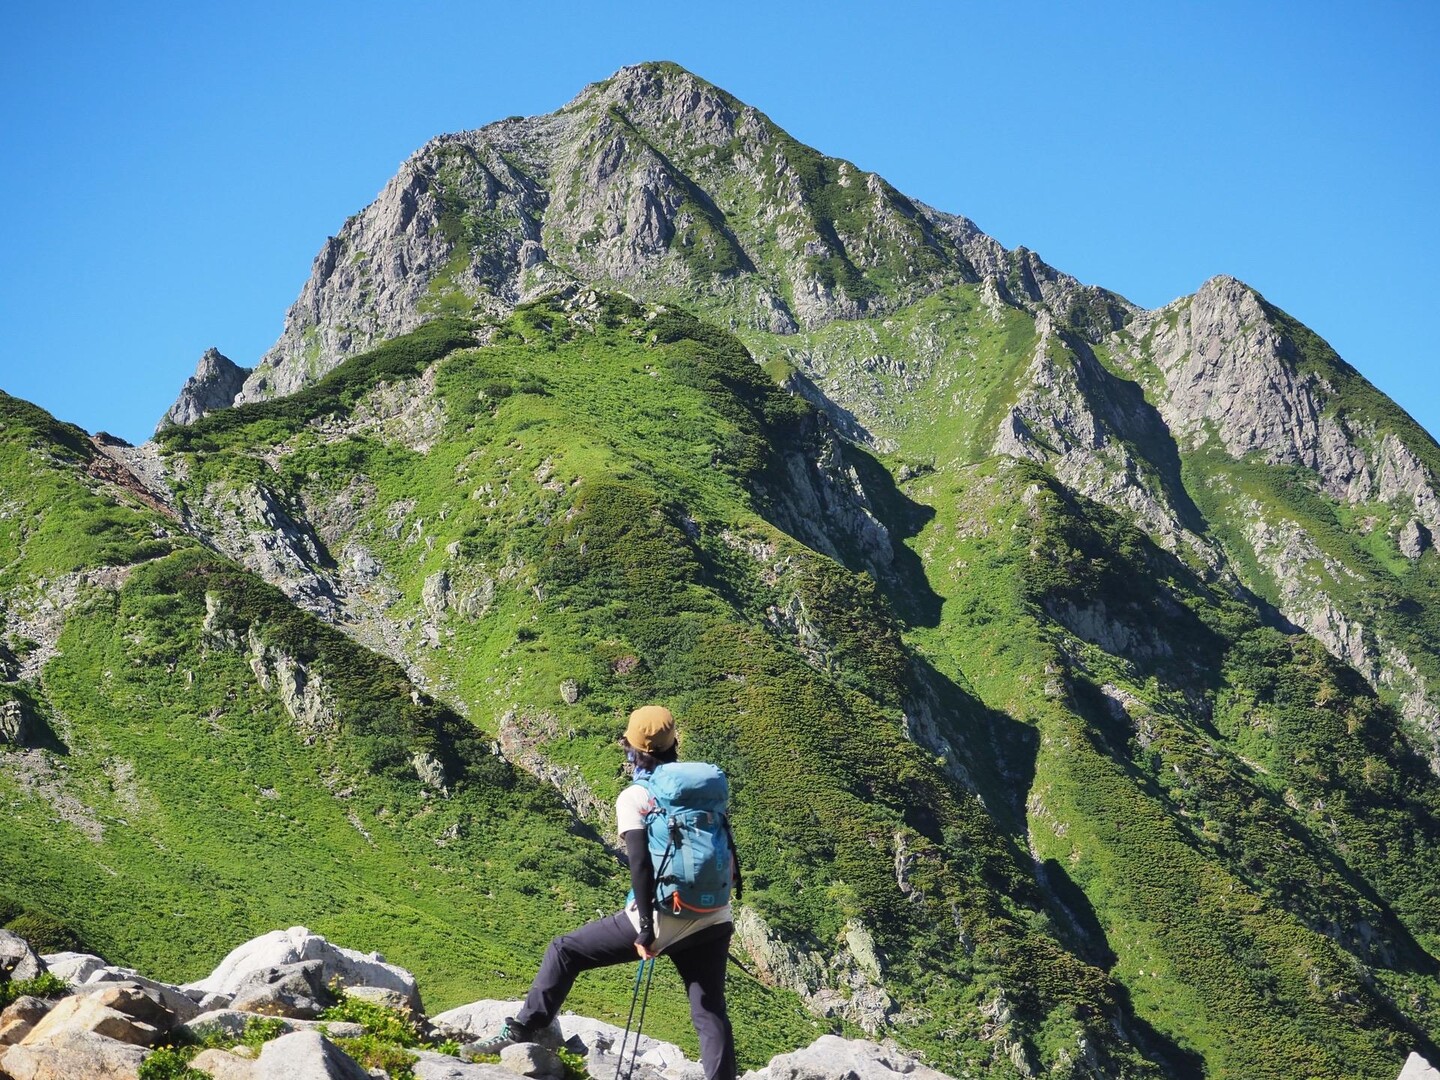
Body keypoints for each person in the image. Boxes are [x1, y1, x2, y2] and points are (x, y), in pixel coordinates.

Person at [463, 705, 738, 1080]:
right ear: (674, 743)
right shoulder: (705, 785)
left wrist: (645, 929)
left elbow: (639, 866)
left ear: (634, 748)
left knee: (566, 950)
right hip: (714, 914)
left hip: (663, 914)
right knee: (709, 1011)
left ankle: (523, 1029)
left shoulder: (637, 796)